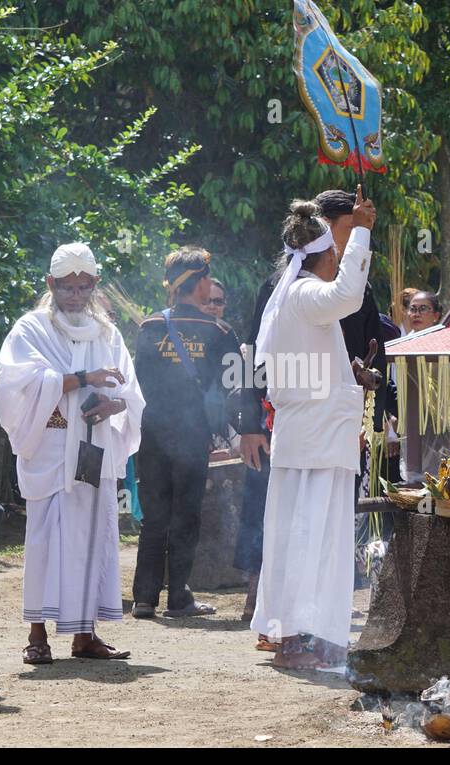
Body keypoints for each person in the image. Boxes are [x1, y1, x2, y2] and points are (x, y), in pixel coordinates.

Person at [0, 243, 144, 663]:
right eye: (66, 288)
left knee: (93, 537)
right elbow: (16, 384)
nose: (75, 296)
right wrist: (82, 378)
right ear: (50, 284)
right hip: (52, 448)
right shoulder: (31, 329)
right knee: (45, 538)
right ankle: (37, 635)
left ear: (95, 285)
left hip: (94, 448)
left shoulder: (107, 332)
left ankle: (85, 635)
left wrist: (115, 405)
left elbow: (129, 390)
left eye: (83, 288)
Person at [251, 187, 376, 670]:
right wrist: (363, 229)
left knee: (298, 537)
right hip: (318, 442)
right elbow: (348, 295)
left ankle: (289, 633)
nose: (340, 257)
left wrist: (349, 372)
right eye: (337, 251)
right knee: (312, 540)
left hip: (311, 438)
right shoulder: (304, 294)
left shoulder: (292, 299)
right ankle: (297, 640)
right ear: (322, 254)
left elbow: (310, 364)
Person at [131, 247, 239, 619]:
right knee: (185, 515)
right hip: (192, 439)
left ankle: (144, 598)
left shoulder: (149, 327)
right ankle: (179, 597)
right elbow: (232, 390)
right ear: (202, 282)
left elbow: (136, 385)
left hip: (151, 436)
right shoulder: (220, 331)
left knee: (154, 515)